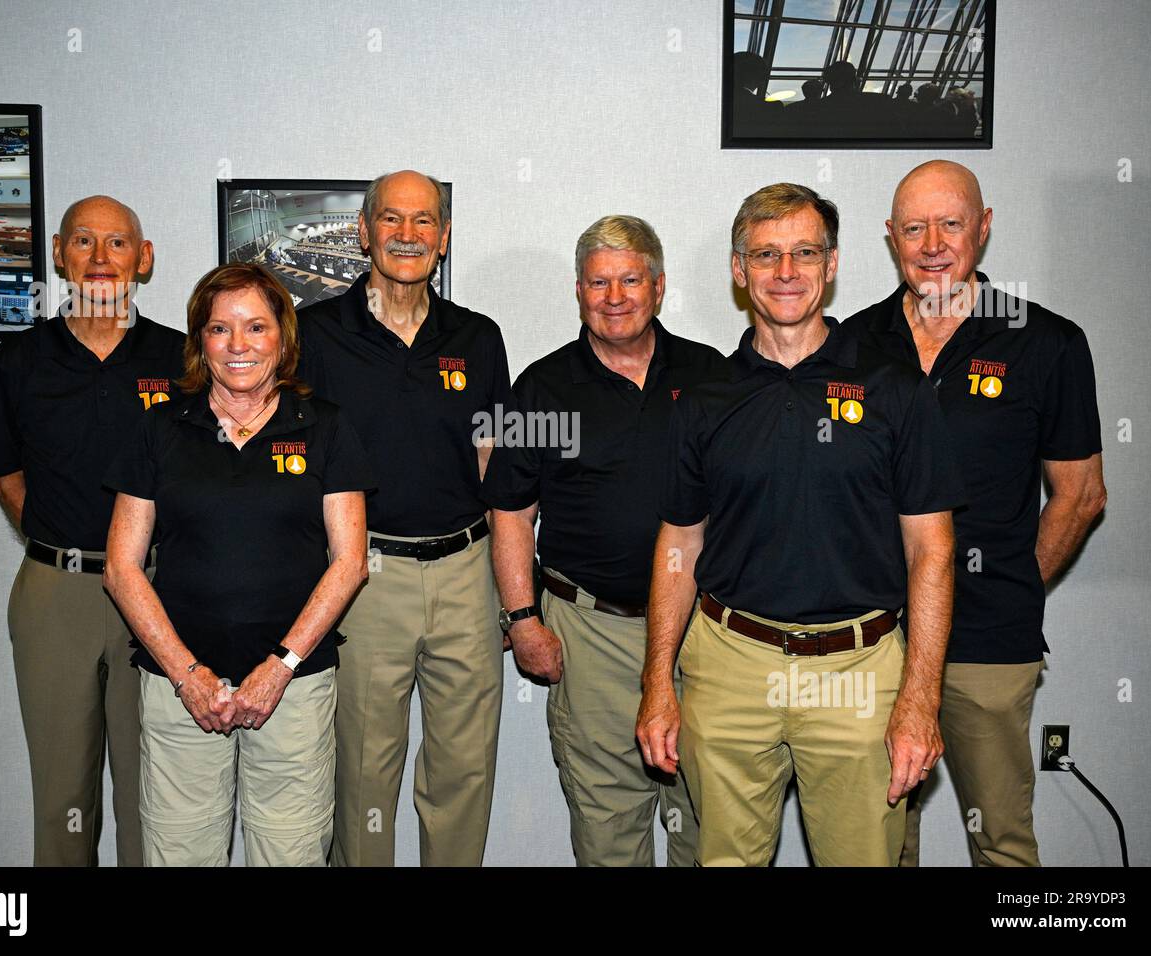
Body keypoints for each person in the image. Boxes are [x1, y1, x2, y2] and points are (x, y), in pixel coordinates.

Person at [636, 183, 966, 866]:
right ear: (739, 270)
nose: (786, 273)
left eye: (805, 253)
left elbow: (931, 550)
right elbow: (680, 544)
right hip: (729, 665)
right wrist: (657, 683)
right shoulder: (702, 399)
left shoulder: (895, 389)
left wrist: (919, 699)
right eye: (765, 255)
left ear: (833, 265)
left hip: (860, 666)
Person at [842, 160, 1106, 866]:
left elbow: (1080, 496)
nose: (933, 243)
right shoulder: (850, 345)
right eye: (915, 227)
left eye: (951, 223)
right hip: (870, 640)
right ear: (892, 237)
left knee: (1002, 842)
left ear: (983, 229)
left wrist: (1012, 582)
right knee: (878, 841)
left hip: (990, 643)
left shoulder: (1047, 343)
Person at [102, 262, 373, 866]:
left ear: (283, 337)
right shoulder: (160, 425)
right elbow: (121, 567)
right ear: (200, 340)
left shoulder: (325, 427)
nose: (239, 345)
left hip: (293, 687)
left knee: (291, 853)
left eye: (256, 327)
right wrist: (187, 675)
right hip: (180, 688)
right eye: (220, 329)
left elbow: (350, 561)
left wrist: (278, 667)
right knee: (181, 854)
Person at [482, 215, 729, 866]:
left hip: (703, 635)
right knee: (608, 829)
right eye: (598, 282)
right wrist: (523, 619)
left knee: (708, 822)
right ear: (578, 290)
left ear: (659, 286)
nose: (614, 296)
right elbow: (510, 513)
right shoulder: (542, 388)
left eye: (629, 279)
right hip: (590, 632)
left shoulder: (713, 378)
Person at [297, 170, 510, 866]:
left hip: (466, 575)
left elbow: (494, 464)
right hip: (365, 577)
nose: (407, 235)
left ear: (443, 238)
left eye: (424, 222)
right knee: (363, 772)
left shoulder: (478, 337)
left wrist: (516, 595)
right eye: (392, 219)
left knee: (464, 771)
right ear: (364, 232)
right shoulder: (314, 335)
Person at [0, 195, 183, 866]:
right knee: (63, 794)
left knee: (149, 793)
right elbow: (7, 479)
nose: (101, 258)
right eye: (84, 242)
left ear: (143, 259)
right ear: (60, 254)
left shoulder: (184, 361)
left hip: (154, 597)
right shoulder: (18, 360)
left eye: (117, 243)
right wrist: (68, 544)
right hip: (54, 595)